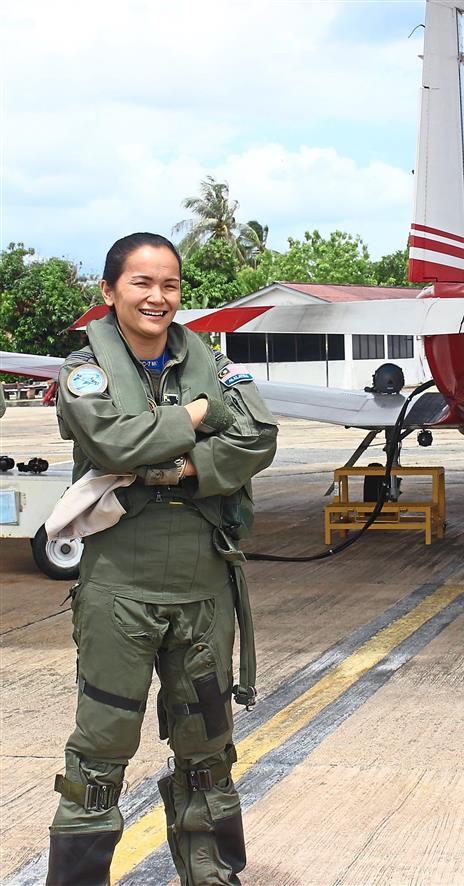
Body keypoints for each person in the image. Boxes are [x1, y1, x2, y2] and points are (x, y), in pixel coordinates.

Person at [46, 232, 278, 885]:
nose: (158, 297)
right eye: (142, 283)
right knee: (99, 752)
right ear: (110, 291)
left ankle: (211, 874)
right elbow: (111, 441)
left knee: (208, 752)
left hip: (204, 589)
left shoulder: (215, 358)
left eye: (169, 284)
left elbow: (257, 434)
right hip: (120, 589)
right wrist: (202, 414)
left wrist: (178, 468)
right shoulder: (83, 370)